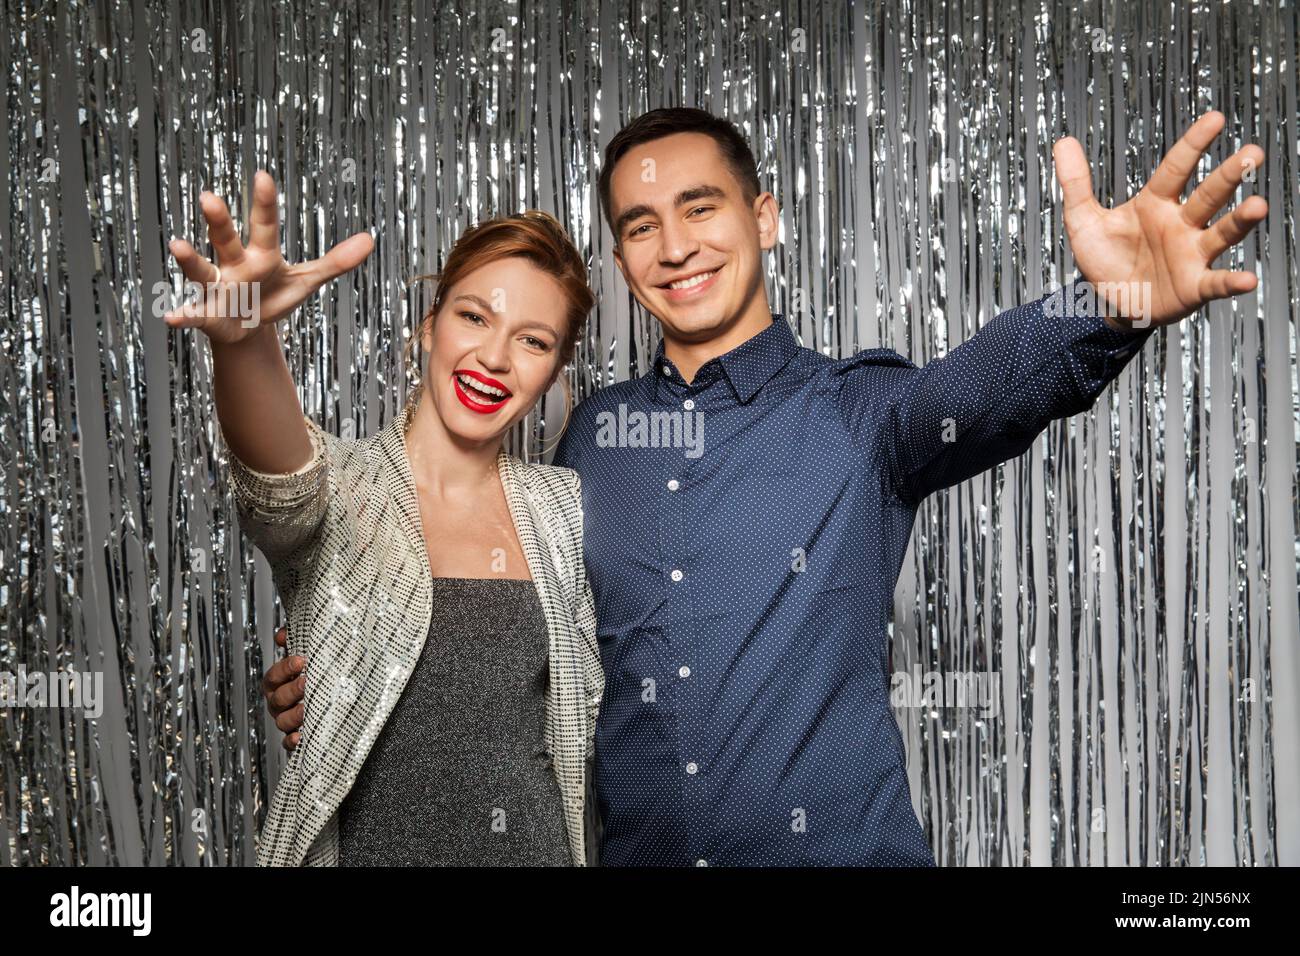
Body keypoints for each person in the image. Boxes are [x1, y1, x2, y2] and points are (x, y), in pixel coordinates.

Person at [266, 106, 1267, 865]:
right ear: (622, 258)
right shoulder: (590, 440)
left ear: (764, 215)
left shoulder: (862, 415)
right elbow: (526, 633)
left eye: (700, 207)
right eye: (641, 223)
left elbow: (992, 386)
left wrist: (1107, 302)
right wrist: (353, 659)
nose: (675, 243)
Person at [165, 175, 603, 865]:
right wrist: (246, 341)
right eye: (474, 317)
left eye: (533, 341)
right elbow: (281, 487)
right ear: (429, 325)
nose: (494, 357)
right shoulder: (343, 486)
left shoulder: (566, 508)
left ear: (554, 372)